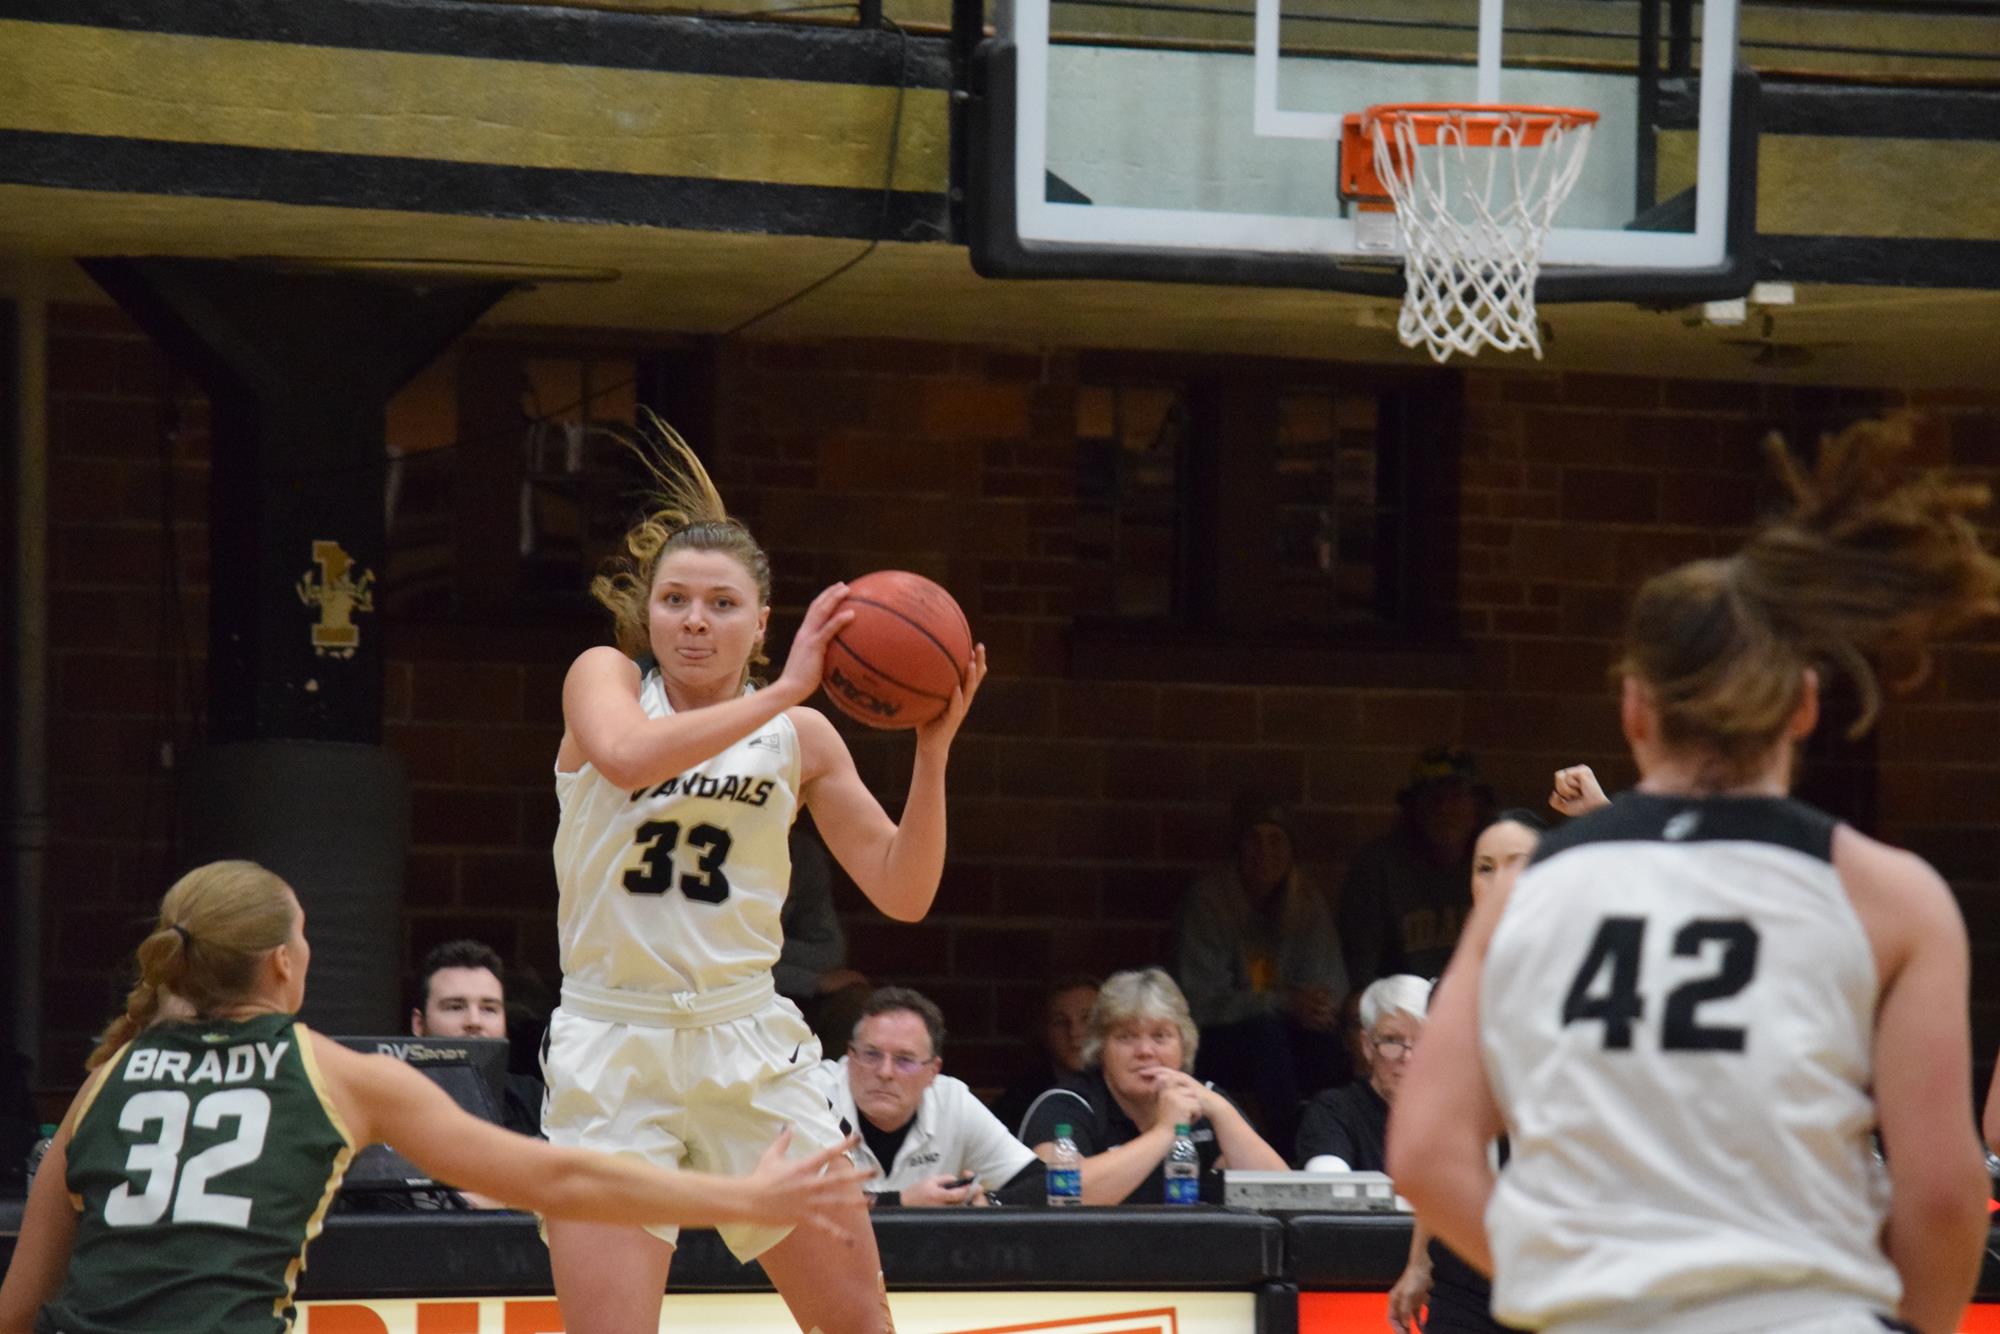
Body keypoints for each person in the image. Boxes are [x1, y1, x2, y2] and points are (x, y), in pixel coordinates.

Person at [1391, 416, 1995, 1334]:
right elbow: (1946, 1198)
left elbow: (1428, 1153)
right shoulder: (1891, 896)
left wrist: (1579, 1285)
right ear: (1804, 707)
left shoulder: (1527, 891)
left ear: (1634, 710)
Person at [0, 860, 867, 1334]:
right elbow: (560, 1179)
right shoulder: (337, 1073)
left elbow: (18, 1308)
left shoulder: (104, 1080)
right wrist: (742, 1197)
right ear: (284, 964)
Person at [545, 418, 986, 1334]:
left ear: (761, 623)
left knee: (858, 1326)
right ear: (648, 612)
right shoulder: (605, 679)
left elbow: (904, 892)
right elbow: (625, 757)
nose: (694, 620)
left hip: (747, 1041)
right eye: (675, 600)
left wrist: (932, 752)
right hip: (612, 1041)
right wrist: (785, 688)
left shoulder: (801, 738)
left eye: (721, 603)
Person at [1386, 808, 1550, 1334]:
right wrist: (1419, 1259)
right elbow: (1440, 1138)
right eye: (1485, 868)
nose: (1500, 880)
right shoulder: (1454, 992)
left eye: (1517, 863)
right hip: (1467, 1264)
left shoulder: (1584, 971)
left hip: (1560, 1255)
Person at [1019, 967, 1285, 1205]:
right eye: (1127, 1037)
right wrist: (1165, 1131)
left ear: (1184, 1045)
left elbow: (1284, 1198)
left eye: (1160, 1036)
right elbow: (1058, 1196)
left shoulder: (1206, 1100)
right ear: (1101, 1048)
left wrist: (1222, 1111)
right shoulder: (1064, 1105)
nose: (1145, 1051)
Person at [1173, 789, 1348, 1145]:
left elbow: (1330, 983)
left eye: (1276, 840)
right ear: (1237, 847)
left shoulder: (1305, 900)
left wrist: (1319, 1008)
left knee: (1331, 1043)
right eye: (1253, 839)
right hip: (1222, 1038)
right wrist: (1280, 1002)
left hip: (1288, 1036)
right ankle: (1286, 1144)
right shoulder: (1209, 901)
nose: (1264, 851)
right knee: (1266, 1034)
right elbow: (1200, 1002)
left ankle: (1329, 1141)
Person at [812, 988, 1042, 1207]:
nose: (885, 1072)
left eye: (904, 1060)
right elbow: (800, 1204)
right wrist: (902, 1202)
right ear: (850, 1056)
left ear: (933, 1071)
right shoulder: (812, 1094)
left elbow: (1042, 1184)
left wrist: (984, 1202)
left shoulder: (952, 1101)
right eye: (871, 1055)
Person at [1339, 748, 1492, 990]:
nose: (1444, 809)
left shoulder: (1497, 865)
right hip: (1401, 1002)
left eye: (1456, 797)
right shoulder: (1379, 867)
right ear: (1413, 809)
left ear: (1477, 806)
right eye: (1433, 798)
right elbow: (1360, 971)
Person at [1293, 974, 1430, 1172]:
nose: (1407, 1057)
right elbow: (1332, 1187)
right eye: (1392, 1040)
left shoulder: (1463, 1115)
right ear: (1367, 1046)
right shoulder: (1335, 1111)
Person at [410, 937, 544, 1138]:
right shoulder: (386, 1100)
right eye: (455, 1007)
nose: (474, 1021)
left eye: (488, 1009)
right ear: (419, 1024)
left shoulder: (537, 1102)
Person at [774, 817, 872, 1056]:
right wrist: (810, 981)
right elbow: (710, 957)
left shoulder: (800, 851)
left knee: (853, 999)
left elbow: (829, 953)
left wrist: (760, 948)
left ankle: (839, 1081)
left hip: (781, 982)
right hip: (716, 994)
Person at [991, 974, 1099, 1140]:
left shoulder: (1125, 1088)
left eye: (1087, 1019)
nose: (1074, 1032)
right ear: (1043, 1031)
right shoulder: (1020, 1101)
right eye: (1060, 1022)